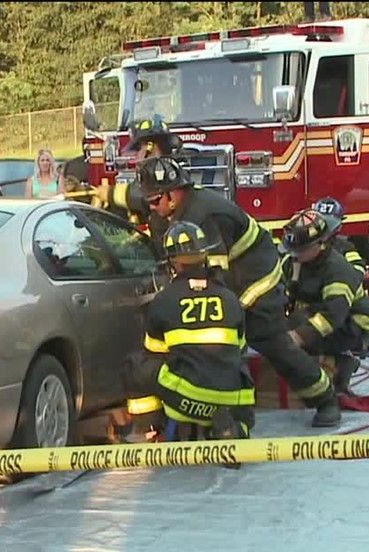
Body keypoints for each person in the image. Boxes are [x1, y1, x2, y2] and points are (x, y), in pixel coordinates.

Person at [136, 155, 342, 427]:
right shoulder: (171, 210)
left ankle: (326, 399)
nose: (152, 208)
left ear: (173, 194)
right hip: (232, 275)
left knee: (269, 340)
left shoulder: (205, 216)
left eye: (154, 201)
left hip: (256, 279)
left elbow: (213, 275)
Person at [122, 220, 255, 444]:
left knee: (136, 365)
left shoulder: (164, 300)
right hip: (236, 400)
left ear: (174, 263)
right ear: (204, 257)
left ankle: (150, 429)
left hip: (189, 402)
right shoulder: (230, 298)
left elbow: (154, 353)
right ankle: (235, 429)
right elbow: (240, 350)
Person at [281, 207, 369, 395]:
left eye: (301, 249)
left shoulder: (337, 269)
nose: (295, 254)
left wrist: (299, 336)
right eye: (293, 249)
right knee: (285, 327)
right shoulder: (293, 261)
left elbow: (333, 315)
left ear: (320, 243)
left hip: (351, 325)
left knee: (298, 327)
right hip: (317, 313)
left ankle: (341, 365)